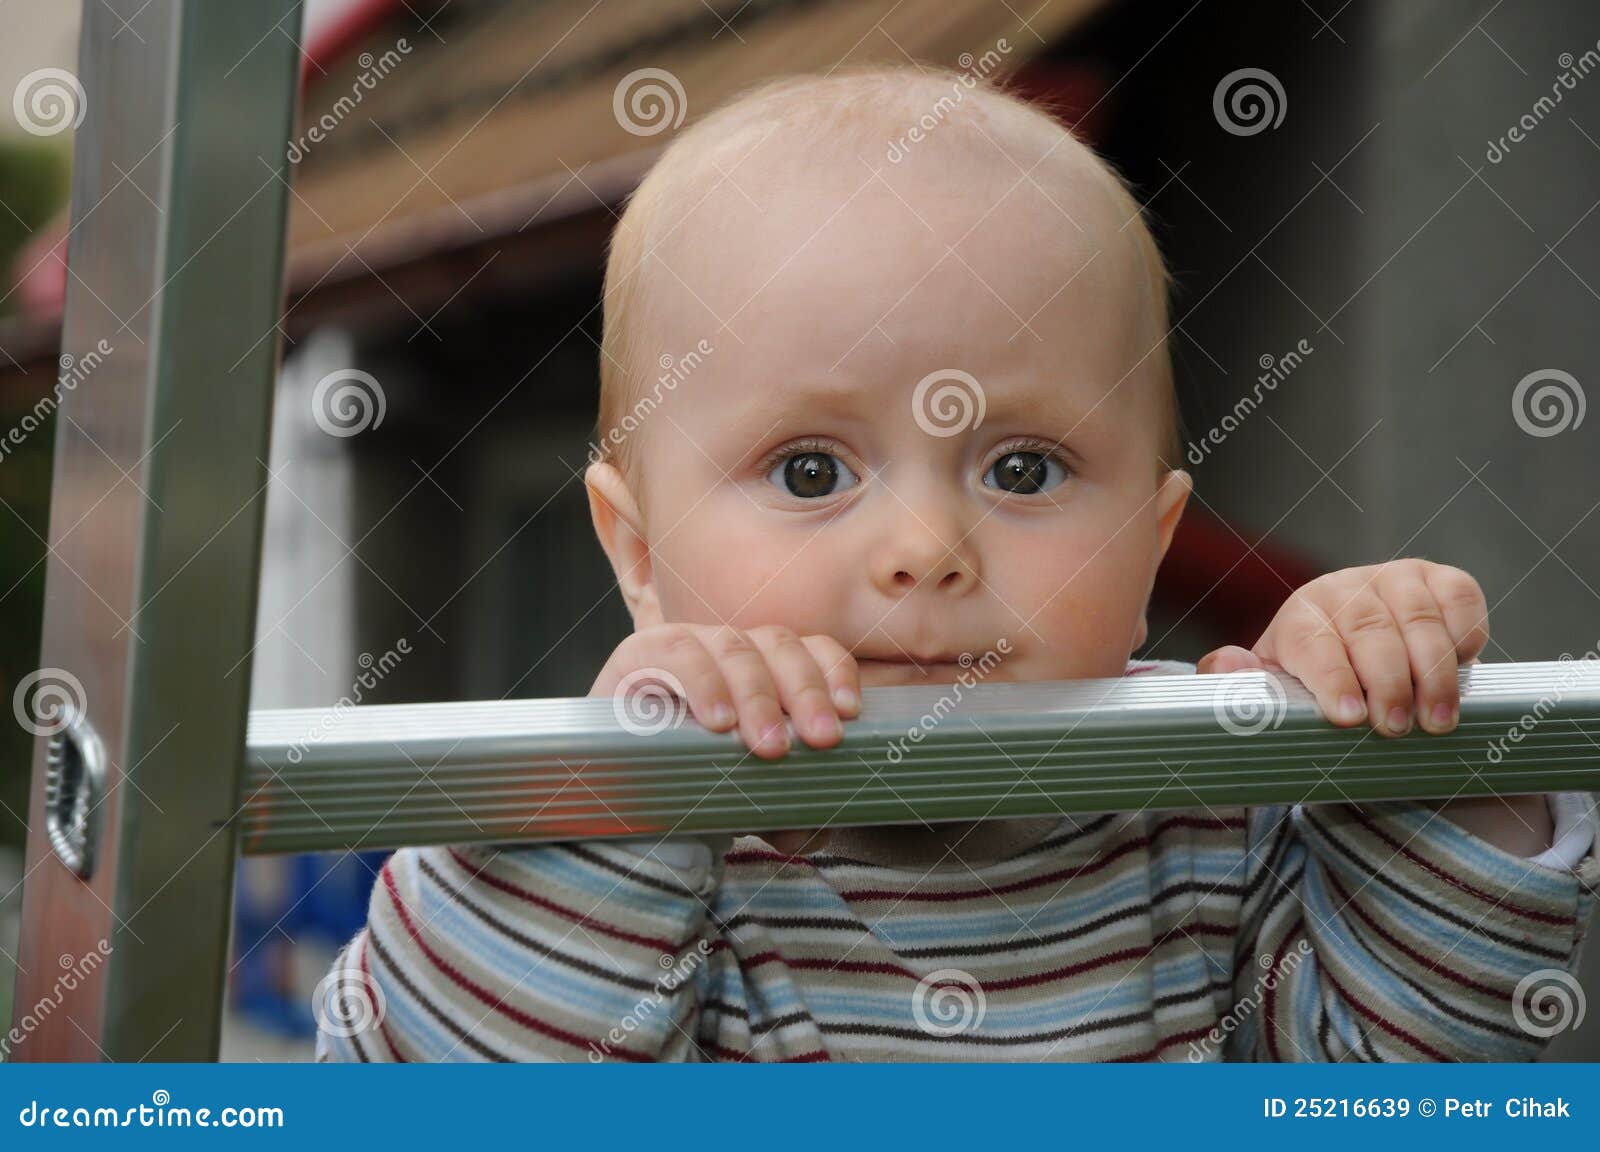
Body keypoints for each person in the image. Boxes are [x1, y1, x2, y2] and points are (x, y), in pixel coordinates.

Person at [316, 66, 1597, 1062]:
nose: (926, 551)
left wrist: (1419, 759)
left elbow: (1412, 1079)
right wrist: (612, 805)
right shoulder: (626, 867)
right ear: (638, 555)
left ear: (1150, 548)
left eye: (1023, 469)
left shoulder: (1217, 818)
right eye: (811, 471)